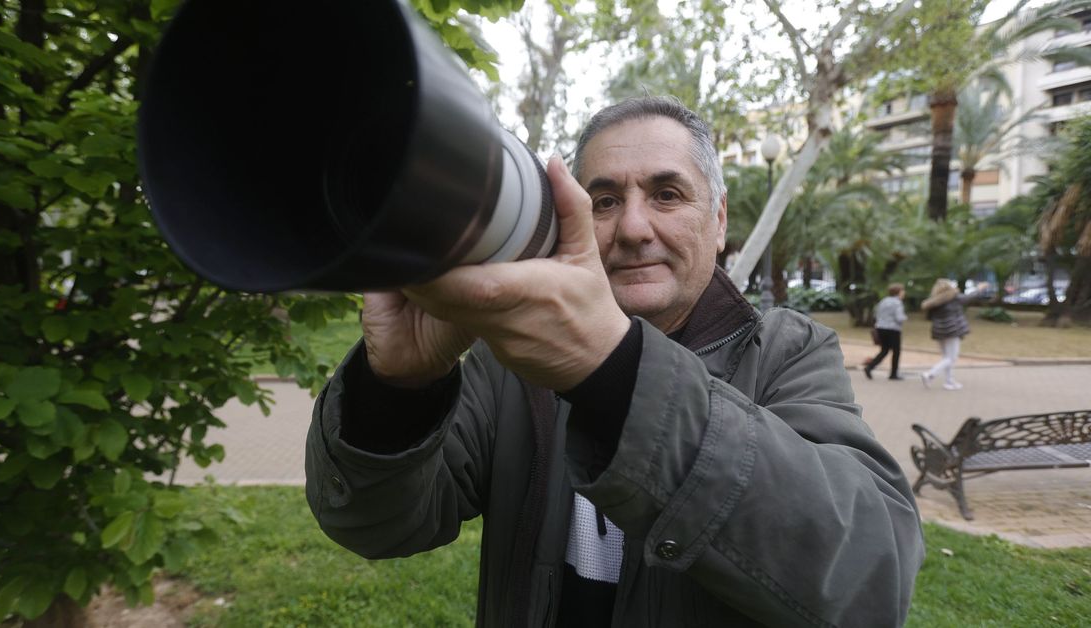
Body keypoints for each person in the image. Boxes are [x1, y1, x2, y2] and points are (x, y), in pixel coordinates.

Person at [305, 97, 924, 626]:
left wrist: (613, 369)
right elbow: (376, 526)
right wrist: (398, 390)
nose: (631, 227)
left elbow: (870, 575)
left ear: (719, 220)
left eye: (667, 194)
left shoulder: (787, 351)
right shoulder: (510, 363)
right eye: (602, 200)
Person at [920, 278, 983, 390]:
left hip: (938, 331)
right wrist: (979, 289)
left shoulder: (934, 301)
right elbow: (969, 297)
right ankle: (930, 374)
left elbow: (929, 317)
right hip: (952, 330)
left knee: (946, 357)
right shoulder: (954, 297)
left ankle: (949, 382)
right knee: (951, 358)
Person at [865, 283, 907, 380]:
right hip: (893, 329)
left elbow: (876, 314)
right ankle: (893, 373)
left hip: (881, 328)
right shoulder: (897, 302)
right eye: (902, 291)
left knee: (884, 350)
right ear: (898, 292)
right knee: (896, 351)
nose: (904, 293)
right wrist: (905, 317)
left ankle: (869, 367)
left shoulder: (883, 301)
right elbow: (899, 317)